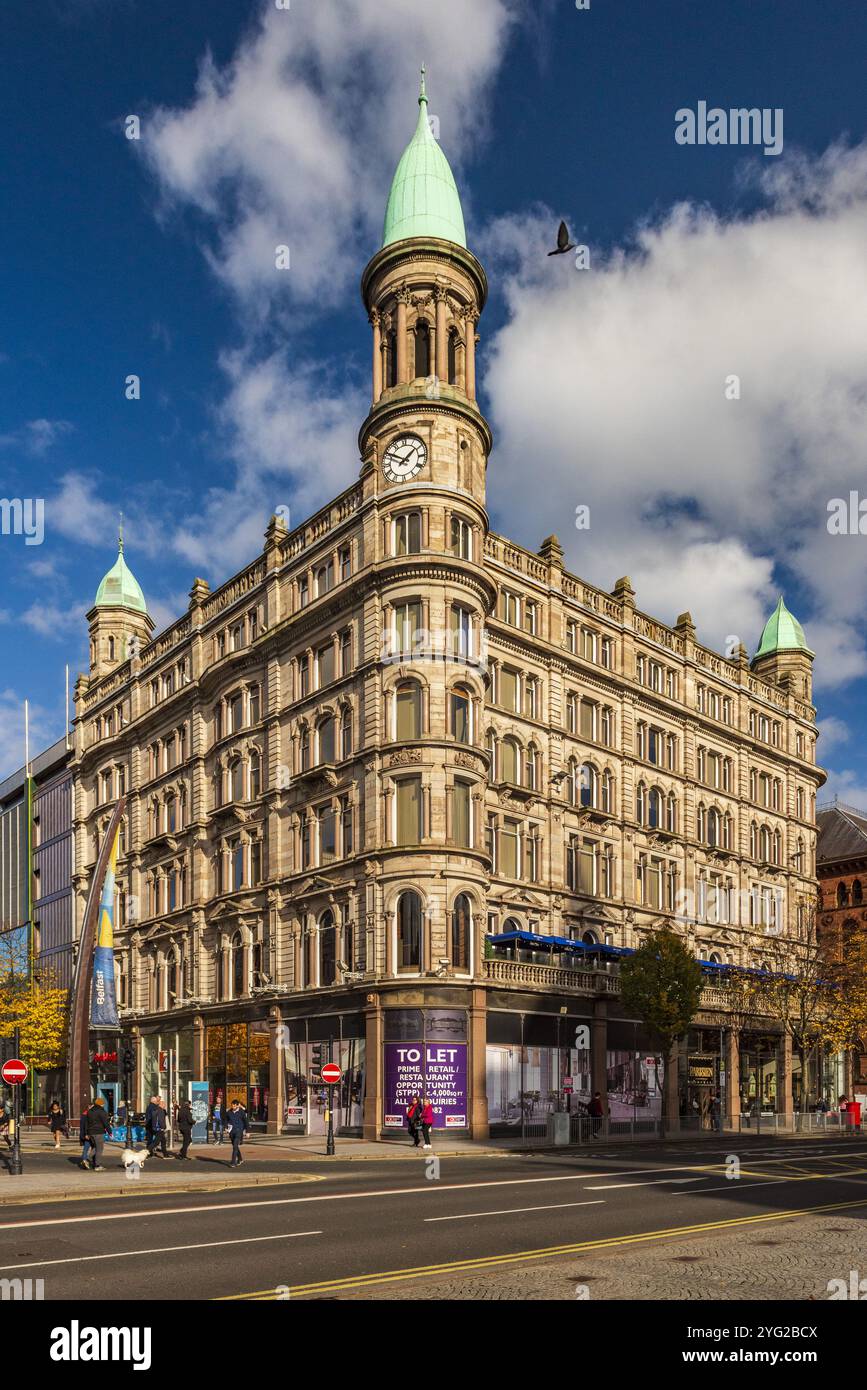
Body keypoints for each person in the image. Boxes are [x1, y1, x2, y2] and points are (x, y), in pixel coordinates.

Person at [82, 1097, 112, 1171]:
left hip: (91, 1133)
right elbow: (105, 1123)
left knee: (96, 1147)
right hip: (99, 1132)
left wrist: (86, 1133)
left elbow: (86, 1123)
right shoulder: (102, 1111)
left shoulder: (89, 1111)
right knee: (100, 1149)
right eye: (103, 1103)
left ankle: (87, 1160)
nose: (103, 1105)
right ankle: (97, 1165)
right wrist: (110, 1132)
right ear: (101, 1104)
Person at [225, 1099, 249, 1167]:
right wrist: (226, 1127)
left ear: (238, 1106)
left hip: (239, 1131)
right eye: (232, 1106)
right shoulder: (229, 1112)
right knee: (235, 1146)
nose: (233, 1107)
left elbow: (246, 1122)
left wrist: (247, 1131)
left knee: (235, 1146)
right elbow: (226, 1120)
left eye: (235, 1106)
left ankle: (233, 1162)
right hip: (232, 1131)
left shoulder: (241, 1112)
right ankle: (240, 1159)